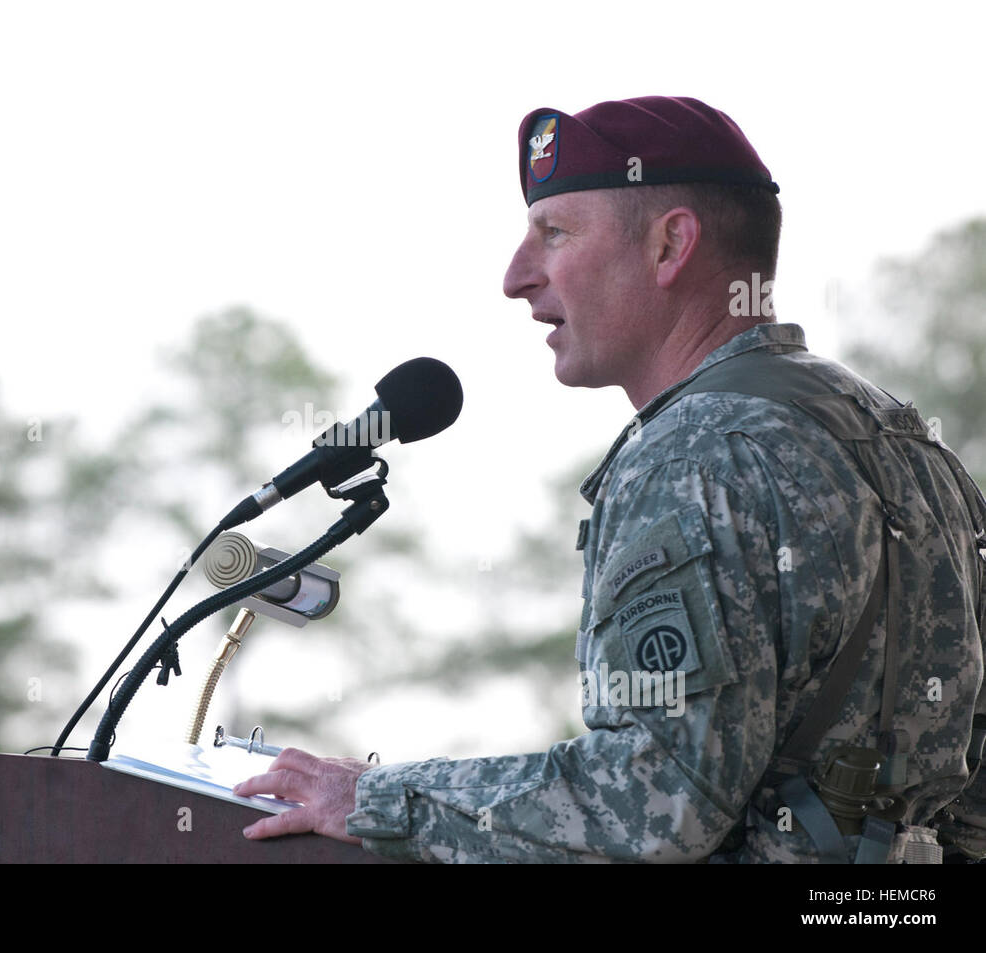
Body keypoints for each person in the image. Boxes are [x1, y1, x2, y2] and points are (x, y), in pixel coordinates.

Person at [233, 96, 986, 863]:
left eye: (555, 233)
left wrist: (377, 798)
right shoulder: (907, 443)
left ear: (670, 245)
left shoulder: (693, 453)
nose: (516, 277)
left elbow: (654, 801)